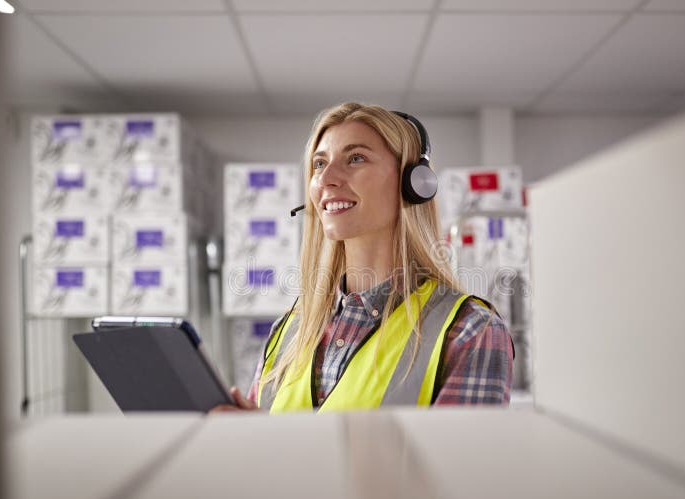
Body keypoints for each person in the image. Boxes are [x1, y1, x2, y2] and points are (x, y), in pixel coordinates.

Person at [213, 102, 514, 413]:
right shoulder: (286, 334)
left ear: (413, 184)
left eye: (356, 158)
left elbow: (459, 462)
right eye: (319, 164)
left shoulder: (471, 330)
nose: (327, 178)